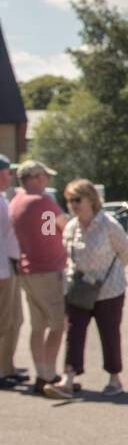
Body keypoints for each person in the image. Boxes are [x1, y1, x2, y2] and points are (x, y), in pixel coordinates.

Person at [46, 178, 128, 399]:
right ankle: (68, 380)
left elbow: (126, 252)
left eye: (77, 199)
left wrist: (109, 274)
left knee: (109, 334)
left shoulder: (108, 225)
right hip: (79, 290)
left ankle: (114, 378)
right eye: (69, 200)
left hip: (108, 291)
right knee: (74, 333)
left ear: (91, 200)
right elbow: (69, 258)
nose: (73, 205)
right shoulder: (72, 227)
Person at [9, 160, 69, 395]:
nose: (46, 181)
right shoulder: (42, 202)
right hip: (47, 270)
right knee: (57, 324)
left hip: (27, 270)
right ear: (34, 177)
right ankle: (49, 375)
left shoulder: (16, 202)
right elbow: (56, 230)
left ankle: (40, 373)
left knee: (38, 325)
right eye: (44, 176)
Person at [0, 154, 28, 388]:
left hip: (9, 266)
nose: (10, 177)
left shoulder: (4, 198)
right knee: (7, 321)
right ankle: (3, 370)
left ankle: (6, 366)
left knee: (14, 319)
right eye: (8, 172)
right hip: (4, 268)